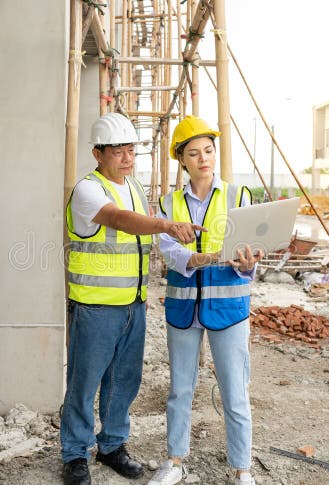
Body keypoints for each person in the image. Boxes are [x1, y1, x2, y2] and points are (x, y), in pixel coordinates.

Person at [61, 112, 205, 485]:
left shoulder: (136, 188)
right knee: (84, 383)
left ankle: (111, 446)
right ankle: (75, 454)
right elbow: (120, 220)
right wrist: (166, 224)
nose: (127, 158)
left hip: (133, 304)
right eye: (117, 151)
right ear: (97, 153)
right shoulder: (88, 190)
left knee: (124, 381)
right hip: (95, 306)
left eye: (131, 150)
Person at [148, 116, 263, 485]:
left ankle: (241, 469)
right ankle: (175, 462)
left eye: (209, 151)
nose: (203, 159)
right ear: (182, 159)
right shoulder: (168, 204)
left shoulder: (239, 197)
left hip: (229, 309)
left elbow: (252, 257)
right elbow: (169, 254)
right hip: (183, 308)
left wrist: (248, 266)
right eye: (194, 153)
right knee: (180, 389)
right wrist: (197, 258)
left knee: (235, 391)